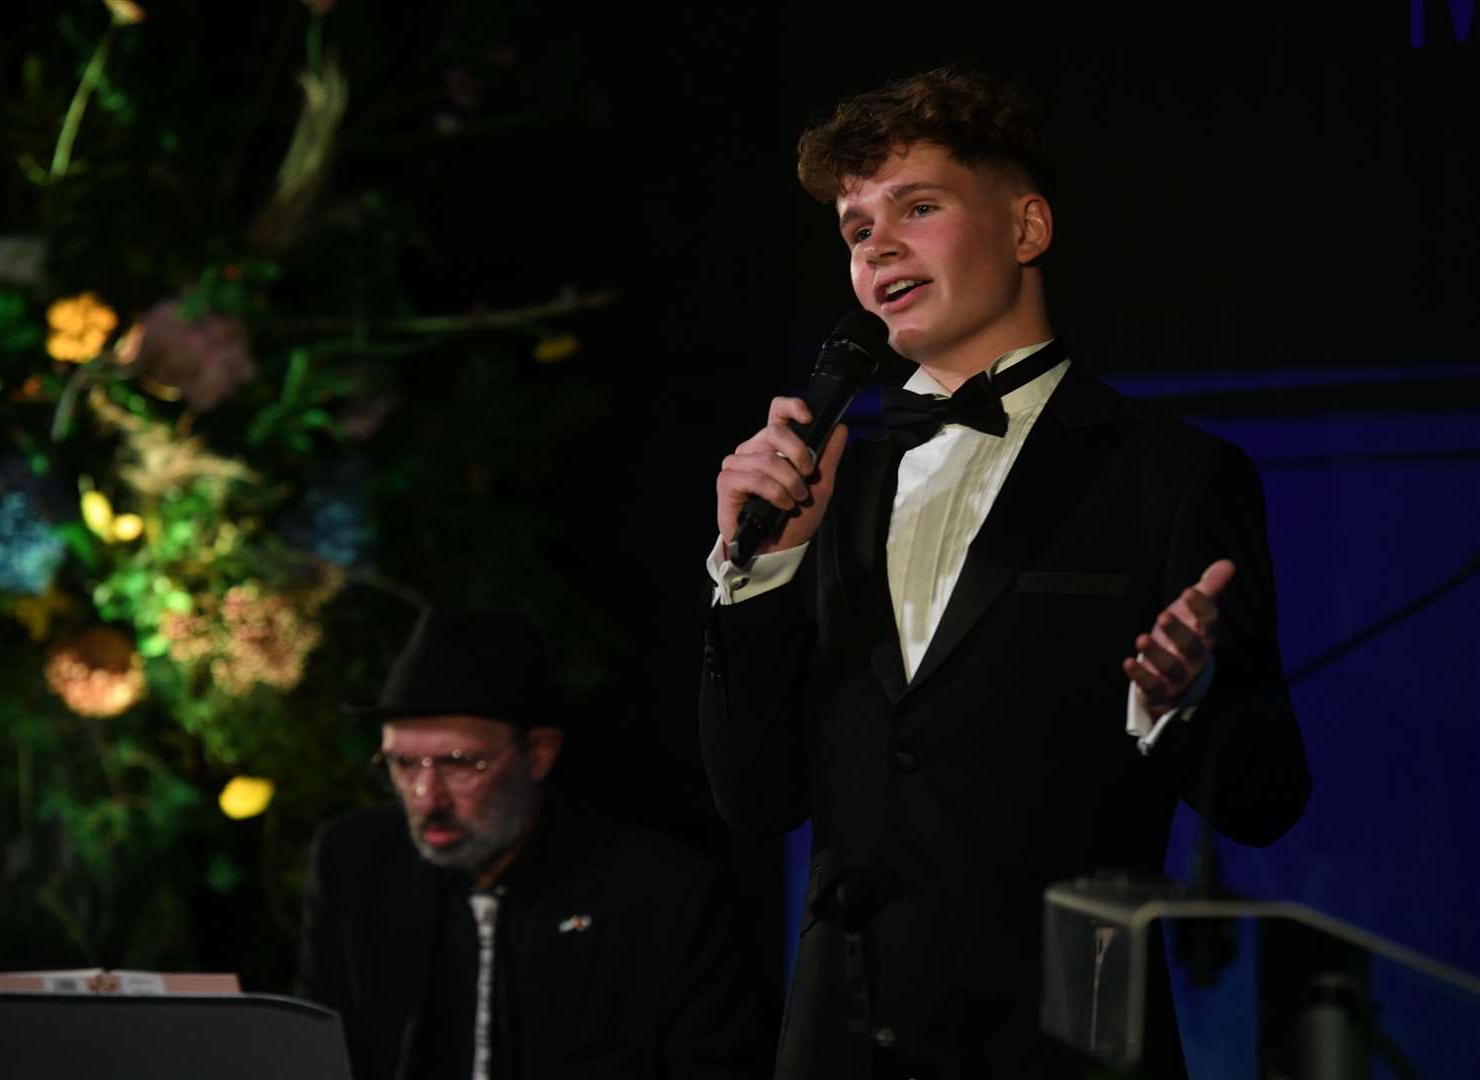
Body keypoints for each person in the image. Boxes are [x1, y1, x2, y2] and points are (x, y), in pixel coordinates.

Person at [699, 67, 1311, 1079]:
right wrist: (758, 572)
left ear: (1027, 230)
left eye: (917, 206)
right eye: (855, 228)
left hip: (1068, 1032)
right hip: (841, 1038)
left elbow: (1266, 799)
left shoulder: (1170, 474)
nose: (878, 245)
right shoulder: (826, 487)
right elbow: (752, 800)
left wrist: (1186, 703)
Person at [300, 608, 765, 1080]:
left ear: (538, 753)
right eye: (402, 763)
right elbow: (312, 1052)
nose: (426, 798)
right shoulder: (354, 864)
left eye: (459, 763)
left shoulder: (660, 895)